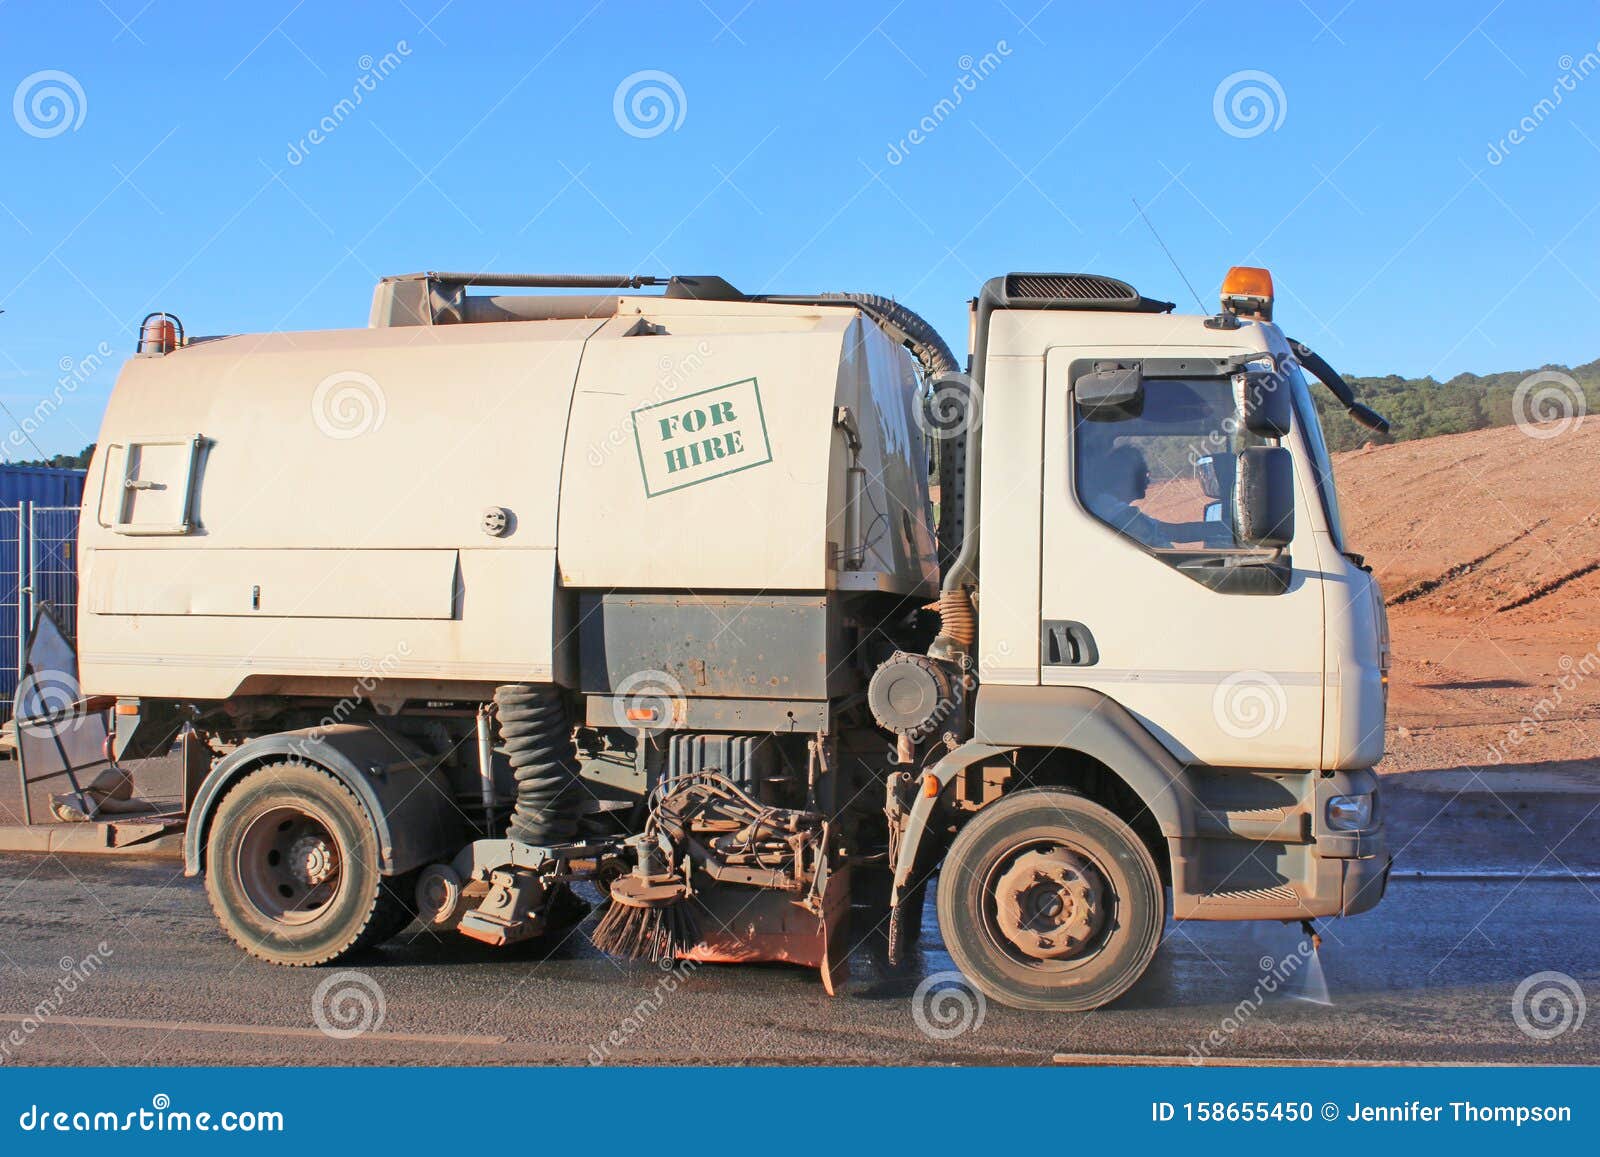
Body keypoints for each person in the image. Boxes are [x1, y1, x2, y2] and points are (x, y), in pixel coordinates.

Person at [1083, 445, 1228, 549]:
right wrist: (1227, 529)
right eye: (1143, 471)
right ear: (1126, 475)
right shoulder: (1120, 515)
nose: (1148, 477)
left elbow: (1174, 532)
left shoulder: (1106, 508)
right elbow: (1172, 537)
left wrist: (1223, 528)